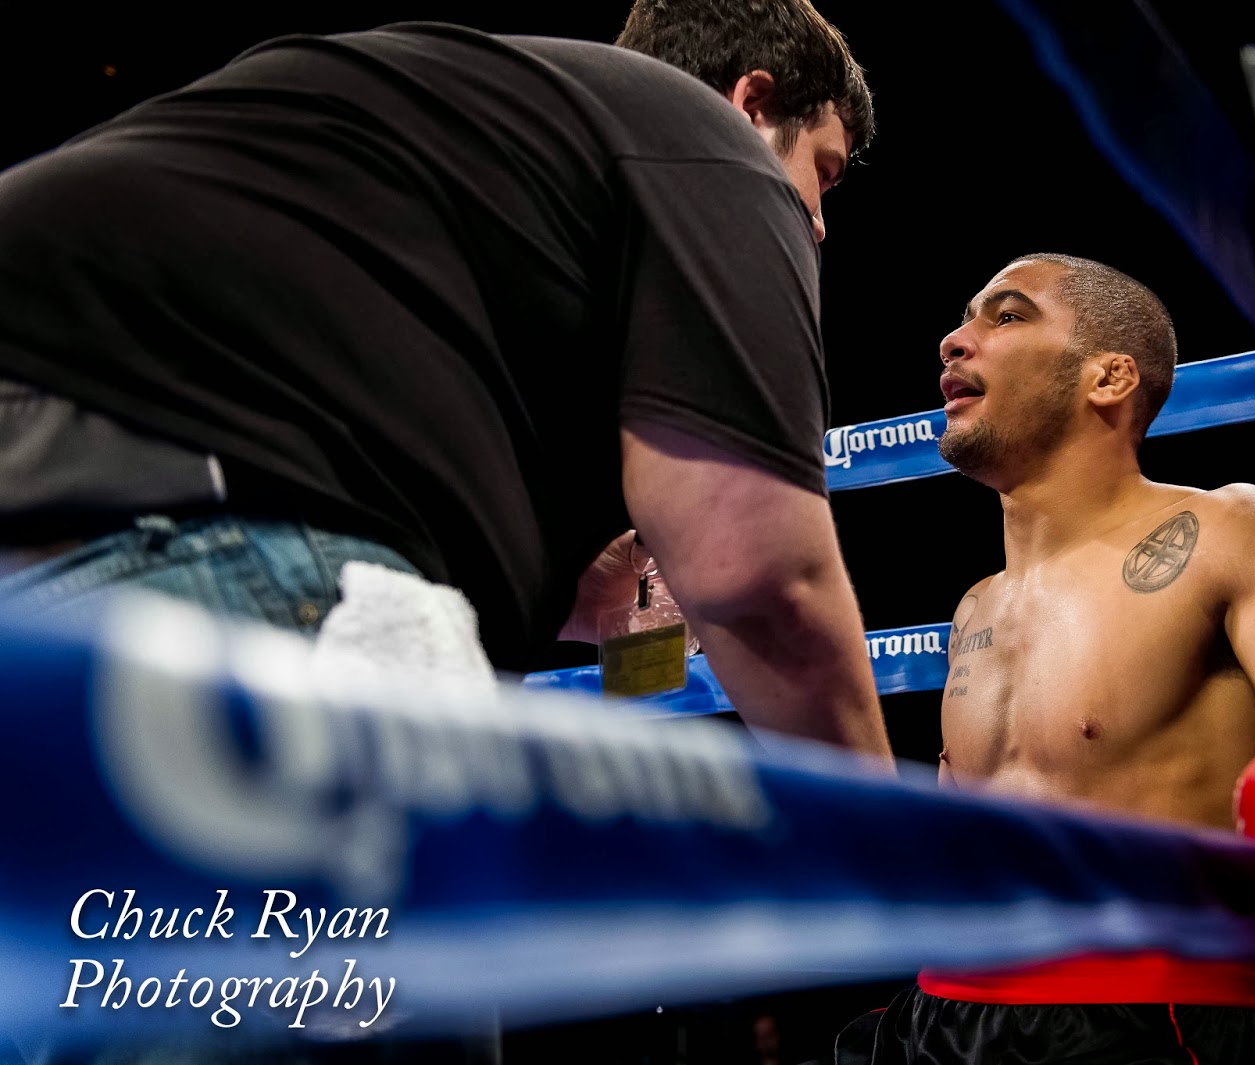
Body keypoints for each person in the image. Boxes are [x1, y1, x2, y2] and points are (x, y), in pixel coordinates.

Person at [0, 0, 893, 761]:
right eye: (822, 170)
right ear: (754, 101)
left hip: (64, 467)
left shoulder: (488, 138)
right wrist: (900, 859)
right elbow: (761, 578)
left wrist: (561, 588)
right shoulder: (713, 148)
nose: (816, 225)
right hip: (203, 495)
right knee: (336, 957)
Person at [837, 252, 1255, 1064]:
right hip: (938, 1014)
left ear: (1110, 377)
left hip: (1145, 1019)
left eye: (1007, 315)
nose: (955, 341)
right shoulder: (976, 607)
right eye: (964, 320)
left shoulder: (1231, 533)